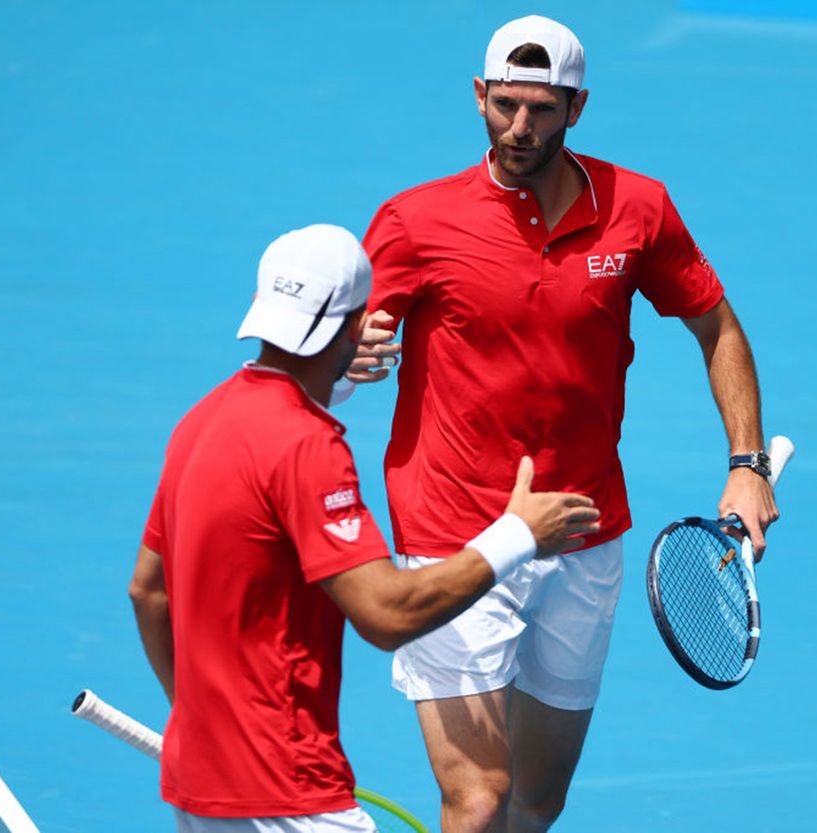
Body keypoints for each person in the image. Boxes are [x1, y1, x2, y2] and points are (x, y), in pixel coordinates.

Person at [345, 15, 782, 833]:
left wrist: (747, 461)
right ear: (478, 97)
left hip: (583, 531)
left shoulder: (639, 209)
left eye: (542, 109)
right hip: (454, 528)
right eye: (504, 104)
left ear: (577, 108)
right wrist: (353, 357)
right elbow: (339, 347)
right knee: (477, 798)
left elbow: (716, 325)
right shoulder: (415, 221)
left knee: (537, 800)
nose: (519, 127)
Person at [128, 224, 600, 833]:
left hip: (201, 784)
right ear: (357, 328)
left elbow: (149, 590)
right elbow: (387, 615)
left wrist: (200, 723)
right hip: (293, 792)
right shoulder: (304, 444)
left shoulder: (199, 421)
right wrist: (518, 535)